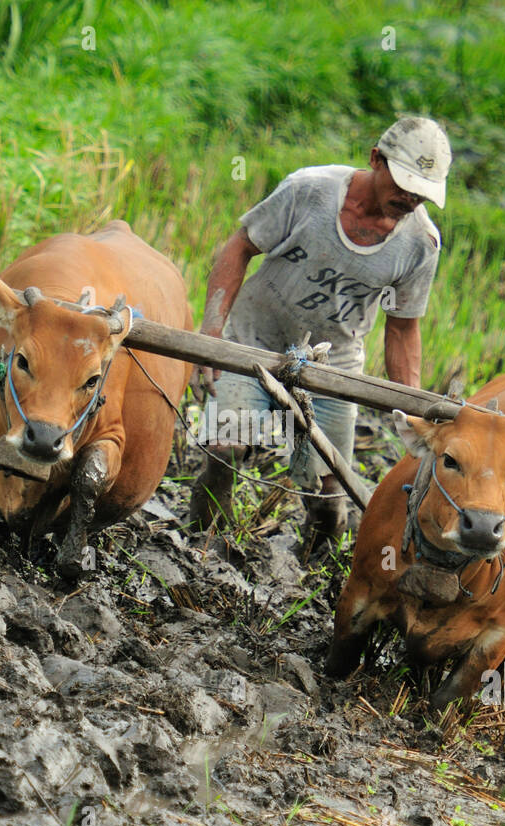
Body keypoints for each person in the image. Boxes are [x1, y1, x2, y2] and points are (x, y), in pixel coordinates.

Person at [188, 116, 451, 553]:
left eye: (421, 192)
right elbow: (240, 248)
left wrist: (413, 409)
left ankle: (308, 573)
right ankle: (200, 544)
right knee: (225, 448)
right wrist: (211, 338)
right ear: (375, 159)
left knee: (330, 502)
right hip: (252, 340)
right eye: (403, 184)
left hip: (332, 365)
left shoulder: (420, 243)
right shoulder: (309, 191)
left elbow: (403, 329)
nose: (410, 198)